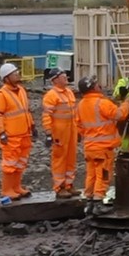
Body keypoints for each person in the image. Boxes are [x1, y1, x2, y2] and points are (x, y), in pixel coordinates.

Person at [76, 76, 129, 200]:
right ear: (94, 87)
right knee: (103, 175)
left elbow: (79, 126)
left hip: (89, 148)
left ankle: (89, 197)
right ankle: (98, 200)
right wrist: (127, 102)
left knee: (92, 174)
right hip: (103, 149)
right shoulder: (102, 103)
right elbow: (119, 115)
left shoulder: (80, 105)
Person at [0, 62, 34, 203]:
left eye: (17, 72)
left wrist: (32, 126)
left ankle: (17, 187)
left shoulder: (21, 90)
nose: (17, 74)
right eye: (14, 73)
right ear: (6, 78)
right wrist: (2, 133)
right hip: (11, 135)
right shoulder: (2, 94)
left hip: (24, 133)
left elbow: (26, 110)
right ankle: (7, 189)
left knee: (20, 163)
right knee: (10, 163)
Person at [40, 68, 80, 198]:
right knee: (59, 159)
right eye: (63, 76)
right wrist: (48, 133)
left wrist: (78, 130)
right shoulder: (51, 95)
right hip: (59, 132)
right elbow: (47, 115)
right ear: (55, 79)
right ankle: (59, 186)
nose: (66, 78)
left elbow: (75, 114)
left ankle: (69, 184)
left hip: (71, 130)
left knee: (71, 158)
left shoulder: (69, 92)